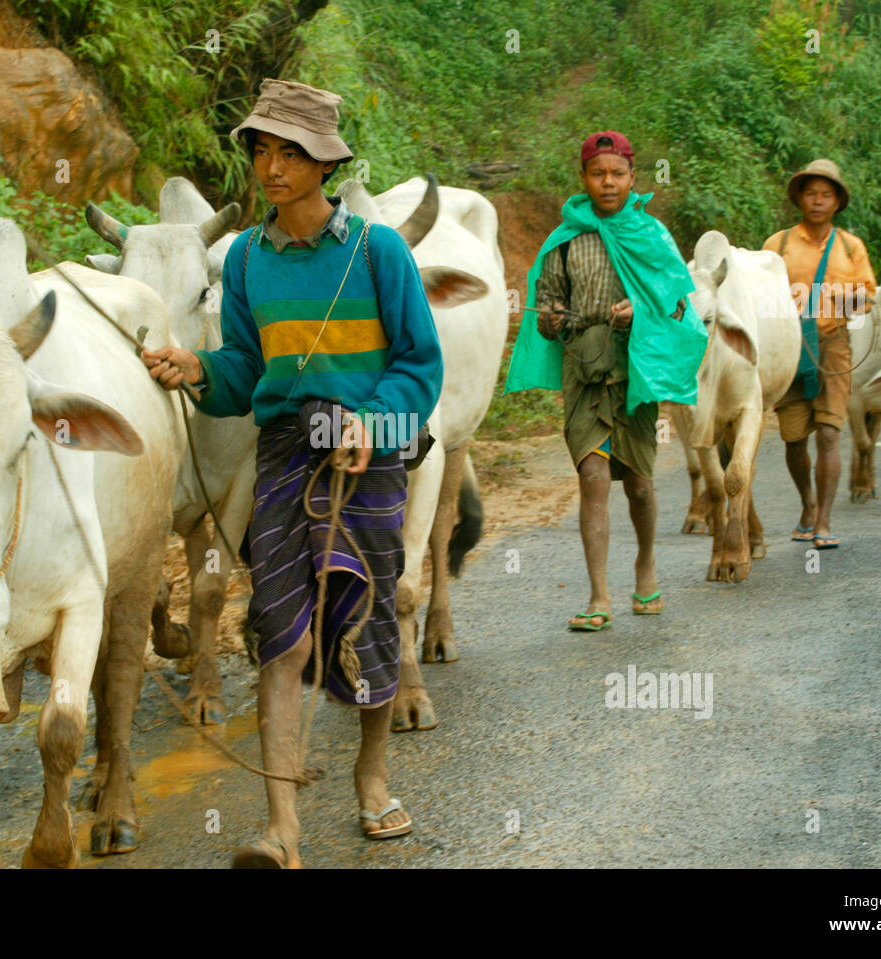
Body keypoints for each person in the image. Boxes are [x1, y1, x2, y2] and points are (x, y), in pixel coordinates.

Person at [140, 78, 443, 868]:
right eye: (262, 150)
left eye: (291, 152)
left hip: (369, 455)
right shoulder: (245, 259)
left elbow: (420, 366)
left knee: (369, 614)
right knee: (282, 628)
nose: (271, 167)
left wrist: (370, 423)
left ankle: (372, 778)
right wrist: (198, 369)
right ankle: (282, 826)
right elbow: (245, 371)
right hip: (283, 451)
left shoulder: (378, 252)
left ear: (324, 162)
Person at [504, 130, 707, 631]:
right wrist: (550, 317)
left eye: (617, 174)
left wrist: (640, 309)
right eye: (598, 174)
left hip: (634, 371)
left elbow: (678, 304)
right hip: (584, 371)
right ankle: (598, 594)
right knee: (593, 478)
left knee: (638, 484)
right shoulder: (566, 239)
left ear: (633, 178)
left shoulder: (651, 235)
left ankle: (646, 566)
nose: (608, 182)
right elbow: (547, 300)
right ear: (584, 179)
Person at [763, 158, 877, 550]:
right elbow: (761, 297)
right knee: (794, 438)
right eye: (811, 193)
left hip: (833, 347)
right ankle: (808, 504)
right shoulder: (777, 246)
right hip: (789, 349)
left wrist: (839, 296)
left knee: (829, 433)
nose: (817, 201)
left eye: (825, 195)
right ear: (800, 198)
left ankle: (824, 521)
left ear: (837, 202)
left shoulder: (850, 247)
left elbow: (868, 298)